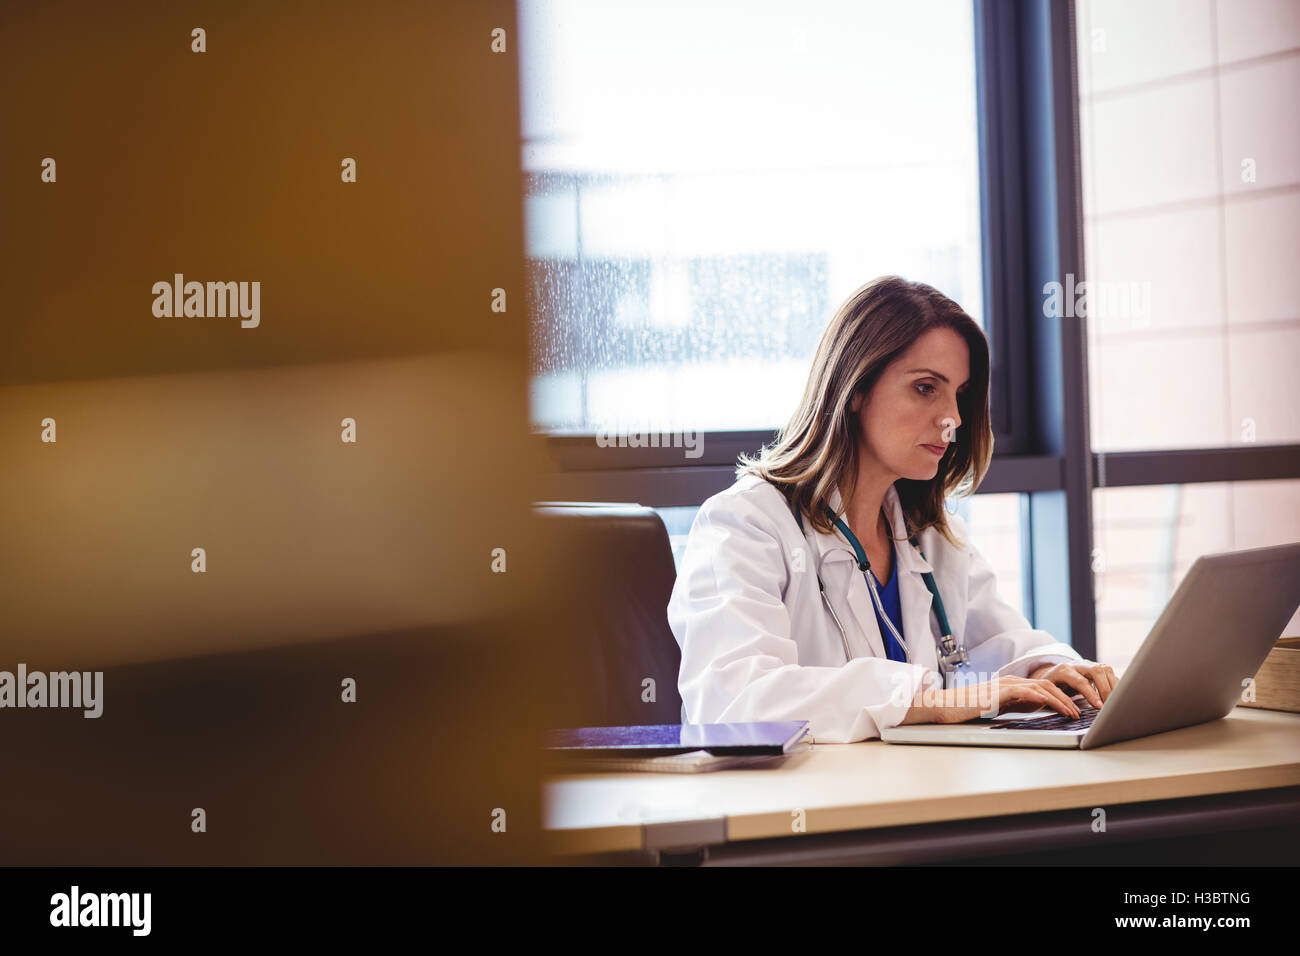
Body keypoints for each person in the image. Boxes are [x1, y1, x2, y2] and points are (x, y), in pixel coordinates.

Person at [666, 276, 1117, 743]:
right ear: (855, 389)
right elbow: (735, 702)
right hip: (798, 807)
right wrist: (932, 702)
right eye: (926, 388)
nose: (953, 419)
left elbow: (999, 646)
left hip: (917, 793)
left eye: (958, 395)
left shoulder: (931, 537)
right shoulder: (745, 524)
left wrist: (1055, 668)